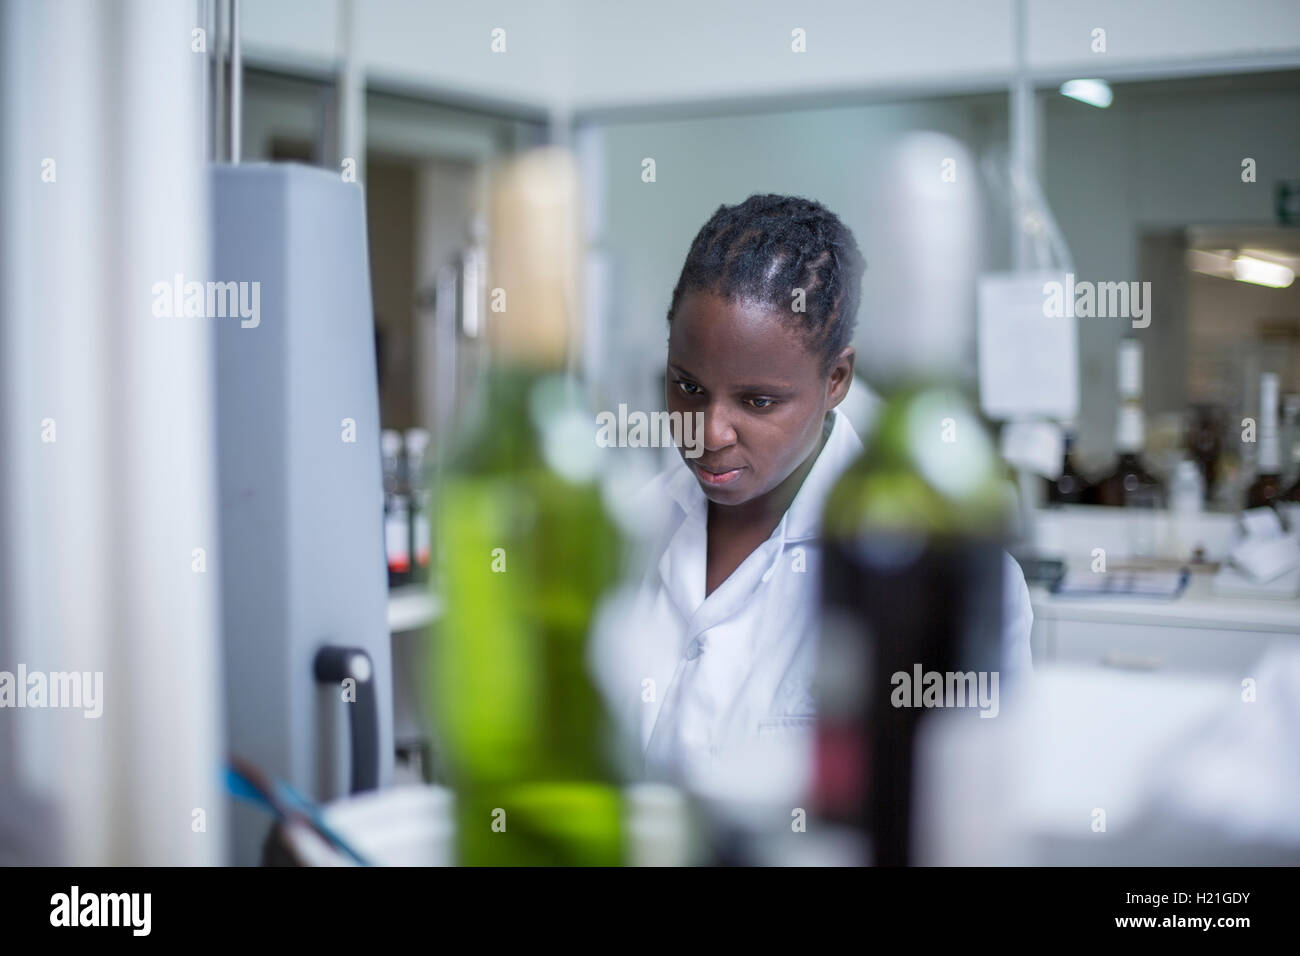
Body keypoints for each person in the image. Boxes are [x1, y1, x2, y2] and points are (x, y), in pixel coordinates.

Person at [589, 194, 1033, 805]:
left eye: (758, 401)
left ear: (836, 380)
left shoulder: (939, 577)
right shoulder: (630, 528)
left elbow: (958, 816)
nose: (710, 432)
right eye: (687, 386)